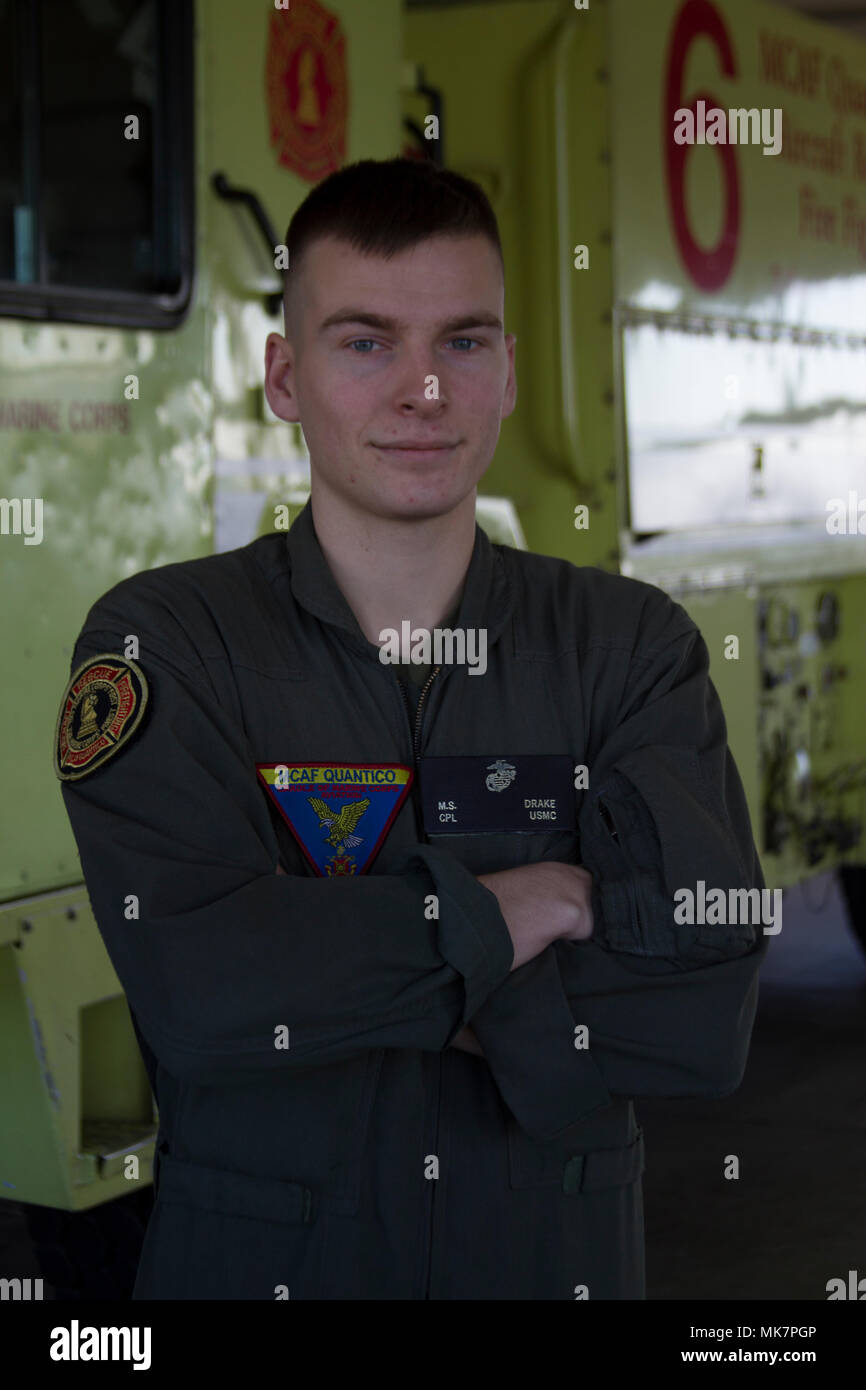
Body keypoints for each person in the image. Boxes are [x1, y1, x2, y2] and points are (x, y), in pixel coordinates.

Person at [54, 157, 768, 1300]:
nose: (422, 392)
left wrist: (352, 969)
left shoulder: (629, 648)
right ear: (285, 377)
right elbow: (203, 994)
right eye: (365, 342)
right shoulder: (167, 644)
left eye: (463, 343)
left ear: (508, 375)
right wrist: (526, 906)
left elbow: (696, 1019)